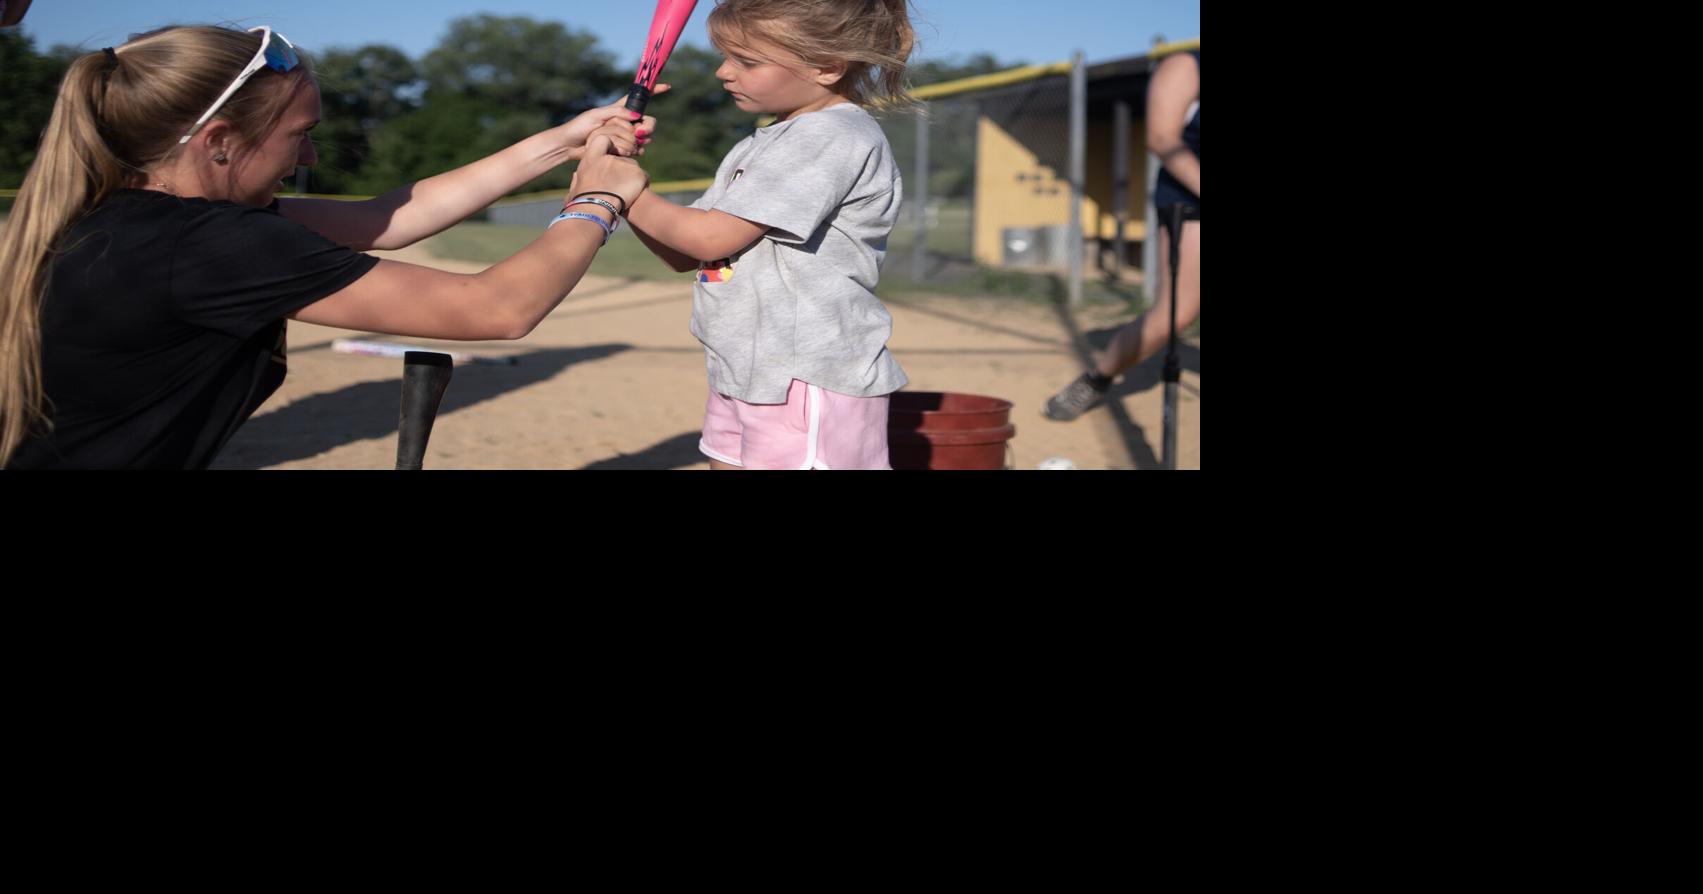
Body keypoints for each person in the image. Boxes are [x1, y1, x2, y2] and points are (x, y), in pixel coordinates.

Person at [1, 24, 657, 468]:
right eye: (299, 134)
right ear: (219, 141)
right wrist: (598, 200)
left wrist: (561, 143)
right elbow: (498, 308)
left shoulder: (125, 214)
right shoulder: (211, 245)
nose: (310, 153)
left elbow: (389, 217)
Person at [621, 0, 914, 470]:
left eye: (747, 61)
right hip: (745, 368)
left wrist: (622, 190)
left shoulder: (831, 135)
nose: (723, 72)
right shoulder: (762, 141)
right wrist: (620, 177)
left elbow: (709, 238)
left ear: (827, 66)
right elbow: (684, 252)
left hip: (804, 377)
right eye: (725, 56)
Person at [1043, 48, 1199, 422]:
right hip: (1190, 201)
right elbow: (1162, 139)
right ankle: (1099, 377)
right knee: (1175, 316)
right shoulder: (1186, 65)